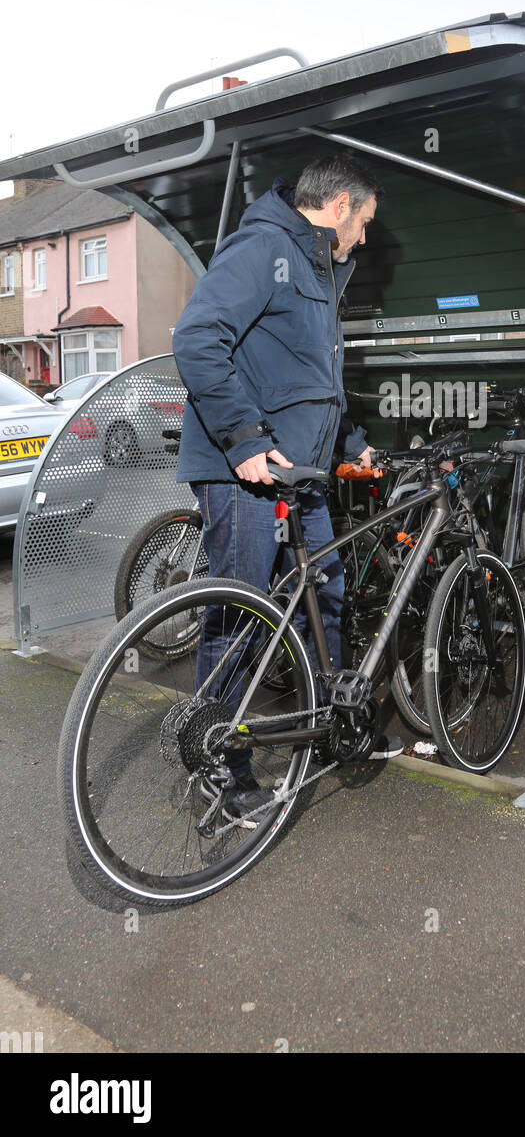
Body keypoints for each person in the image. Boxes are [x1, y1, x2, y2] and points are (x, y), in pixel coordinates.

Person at [172, 154, 403, 819]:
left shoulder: (316, 268)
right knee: (241, 620)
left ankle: (333, 731)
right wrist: (243, 440)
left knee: (324, 599)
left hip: (301, 478)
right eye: (363, 222)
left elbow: (309, 380)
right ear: (339, 208)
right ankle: (220, 771)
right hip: (247, 477)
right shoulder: (264, 248)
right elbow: (197, 337)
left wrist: (355, 446)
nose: (363, 236)